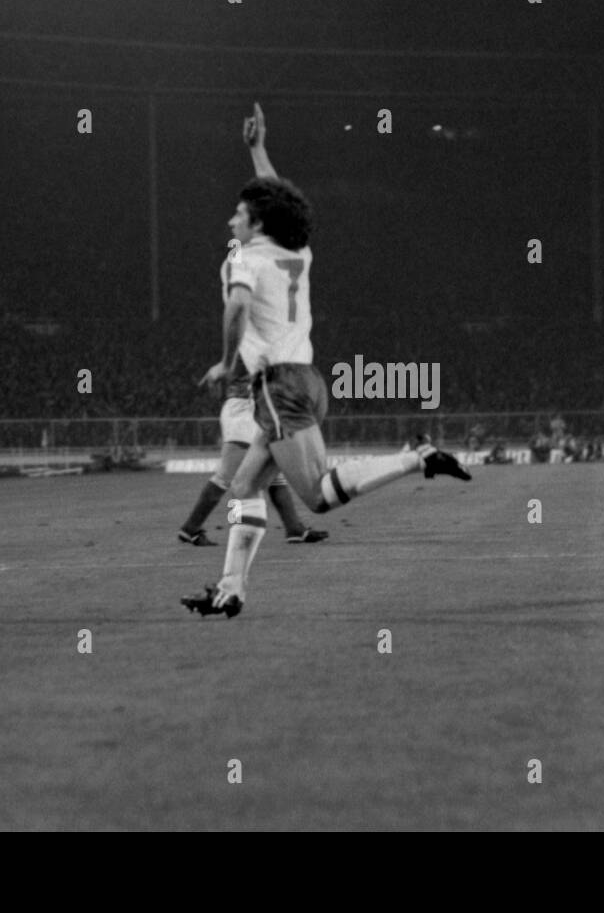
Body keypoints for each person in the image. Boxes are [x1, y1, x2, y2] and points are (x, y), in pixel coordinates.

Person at [181, 104, 470, 618]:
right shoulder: (298, 252)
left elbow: (237, 307)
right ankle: (230, 588)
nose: (231, 219)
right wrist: (256, 150)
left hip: (276, 386)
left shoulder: (243, 259)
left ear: (257, 222)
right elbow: (275, 198)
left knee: (315, 496)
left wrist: (227, 363)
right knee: (246, 485)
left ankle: (415, 457)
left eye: (238, 215)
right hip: (306, 379)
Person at [175, 359, 328, 546]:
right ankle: (199, 528)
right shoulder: (253, 342)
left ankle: (294, 529)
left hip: (259, 407)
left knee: (275, 474)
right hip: (244, 409)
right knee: (227, 477)